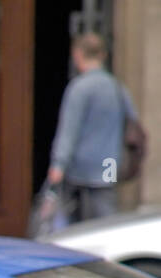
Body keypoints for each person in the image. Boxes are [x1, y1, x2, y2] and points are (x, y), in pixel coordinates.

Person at [48, 32, 138, 223]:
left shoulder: (80, 88)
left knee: (74, 223)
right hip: (110, 163)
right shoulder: (117, 87)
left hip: (82, 166)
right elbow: (132, 121)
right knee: (107, 219)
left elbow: (69, 130)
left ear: (78, 55)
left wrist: (58, 165)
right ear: (103, 55)